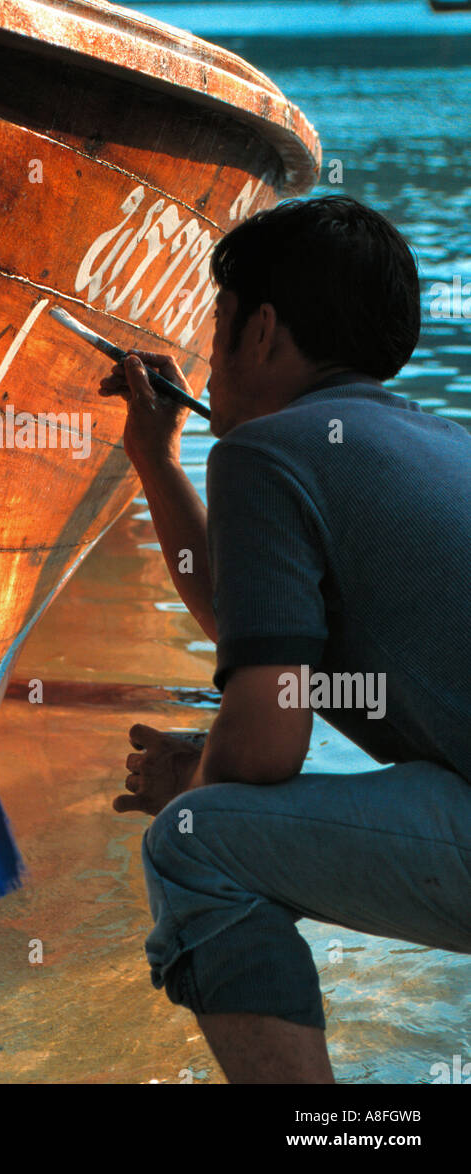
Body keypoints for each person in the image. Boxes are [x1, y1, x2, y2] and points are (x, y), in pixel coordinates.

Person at [98, 194, 471, 1084]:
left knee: (194, 840)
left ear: (259, 331)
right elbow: (251, 628)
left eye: (214, 323)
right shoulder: (436, 443)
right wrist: (156, 455)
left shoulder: (267, 451)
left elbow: (264, 746)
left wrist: (193, 778)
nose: (208, 354)